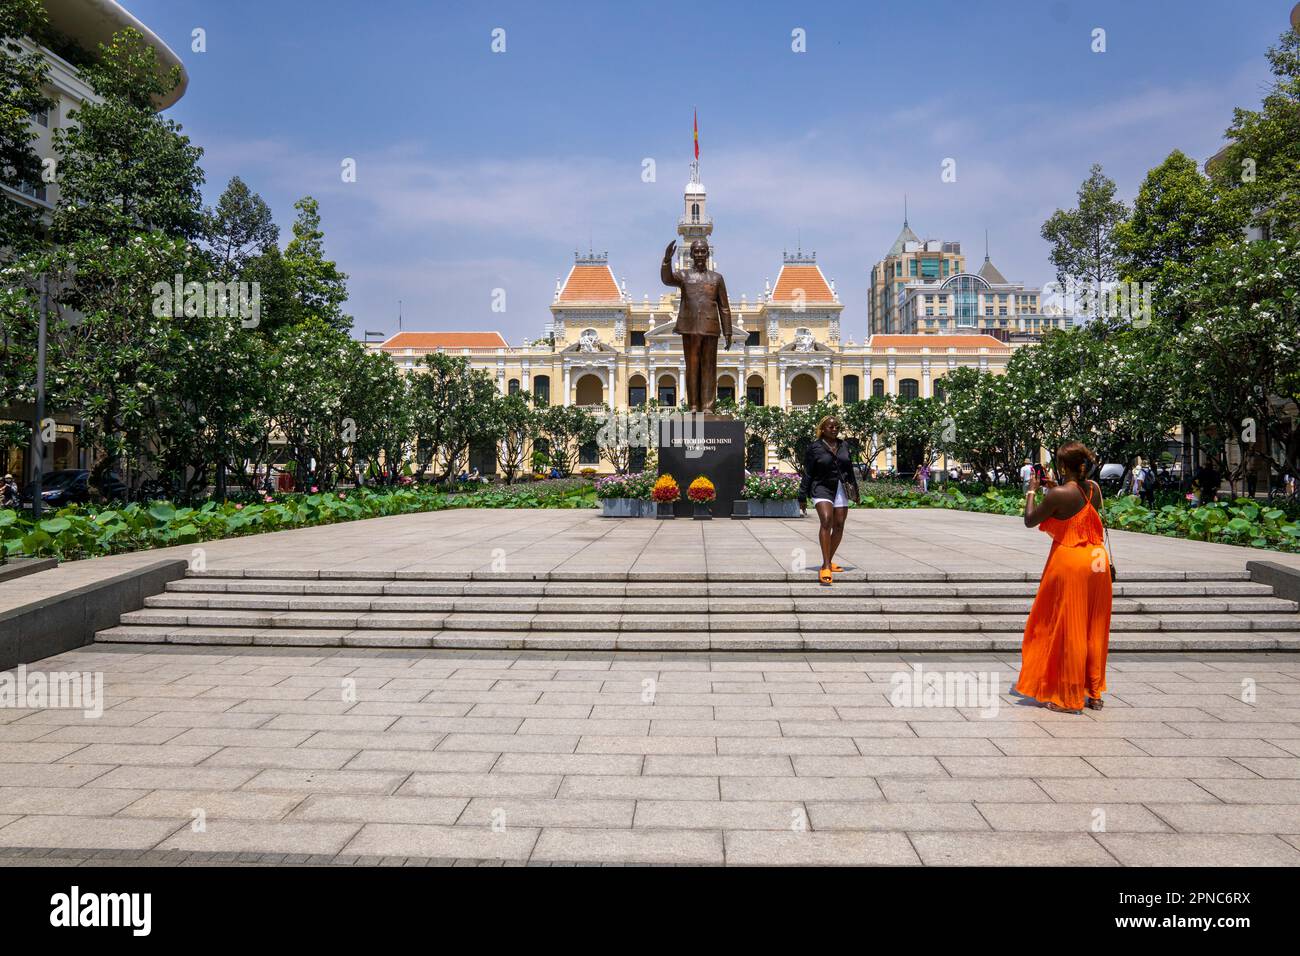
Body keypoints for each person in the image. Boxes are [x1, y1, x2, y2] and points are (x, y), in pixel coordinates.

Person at [1015, 441, 1113, 714]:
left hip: (1072, 560)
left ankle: (1068, 697)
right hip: (1098, 562)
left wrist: (1033, 492)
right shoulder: (1094, 488)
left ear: (1061, 466)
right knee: (1094, 626)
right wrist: (1052, 488)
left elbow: (1030, 519)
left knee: (1069, 627)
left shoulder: (1058, 494)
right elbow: (1077, 504)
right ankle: (1094, 693)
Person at [799, 416, 860, 587]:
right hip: (821, 487)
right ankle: (825, 566)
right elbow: (808, 472)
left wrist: (855, 491)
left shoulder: (844, 445)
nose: (834, 429)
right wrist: (802, 495)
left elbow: (849, 470)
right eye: (831, 427)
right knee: (826, 520)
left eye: (837, 427)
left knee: (839, 524)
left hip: (840, 487)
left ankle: (829, 559)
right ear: (823, 429)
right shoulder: (815, 447)